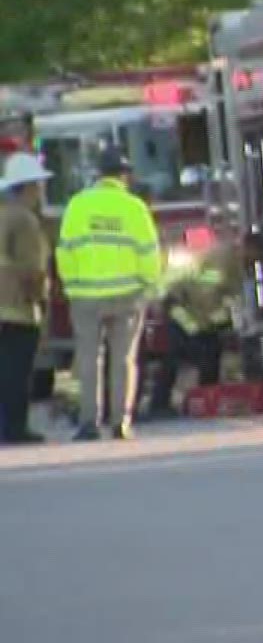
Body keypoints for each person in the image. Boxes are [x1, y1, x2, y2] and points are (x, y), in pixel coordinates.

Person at [55, 147, 161, 441]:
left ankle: (89, 422)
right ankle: (120, 422)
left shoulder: (77, 206)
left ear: (98, 175)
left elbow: (64, 251)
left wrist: (72, 286)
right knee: (124, 359)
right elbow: (149, 253)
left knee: (89, 358)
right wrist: (148, 287)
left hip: (86, 297)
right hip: (127, 296)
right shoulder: (134, 207)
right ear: (124, 175)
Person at [144, 240, 238, 420]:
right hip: (181, 308)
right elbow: (206, 297)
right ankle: (161, 404)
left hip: (187, 308)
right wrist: (218, 324)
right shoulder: (221, 264)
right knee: (179, 355)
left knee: (203, 353)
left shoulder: (227, 263)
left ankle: (205, 398)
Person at [0, 151, 55, 445]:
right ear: (29, 186)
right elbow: (32, 269)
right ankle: (15, 430)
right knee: (16, 374)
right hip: (17, 308)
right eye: (37, 185)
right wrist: (40, 300)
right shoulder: (24, 220)